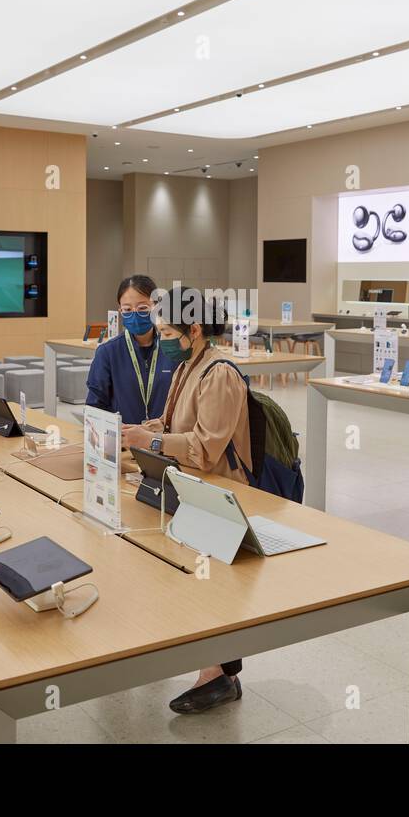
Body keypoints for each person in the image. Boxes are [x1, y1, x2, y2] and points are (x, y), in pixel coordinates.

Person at [122, 285, 252, 714]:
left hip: (221, 492)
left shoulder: (220, 374)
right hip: (194, 490)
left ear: (194, 330)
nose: (161, 339)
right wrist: (147, 429)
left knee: (210, 584)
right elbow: (175, 419)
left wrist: (154, 440)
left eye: (167, 331)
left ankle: (217, 675)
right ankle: (215, 668)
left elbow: (205, 448)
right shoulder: (187, 367)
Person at [85, 274, 174, 424]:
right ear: (120, 311)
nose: (135, 314)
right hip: (124, 442)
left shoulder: (173, 349)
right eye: (127, 309)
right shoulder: (108, 353)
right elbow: (95, 406)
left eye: (142, 308)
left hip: (166, 441)